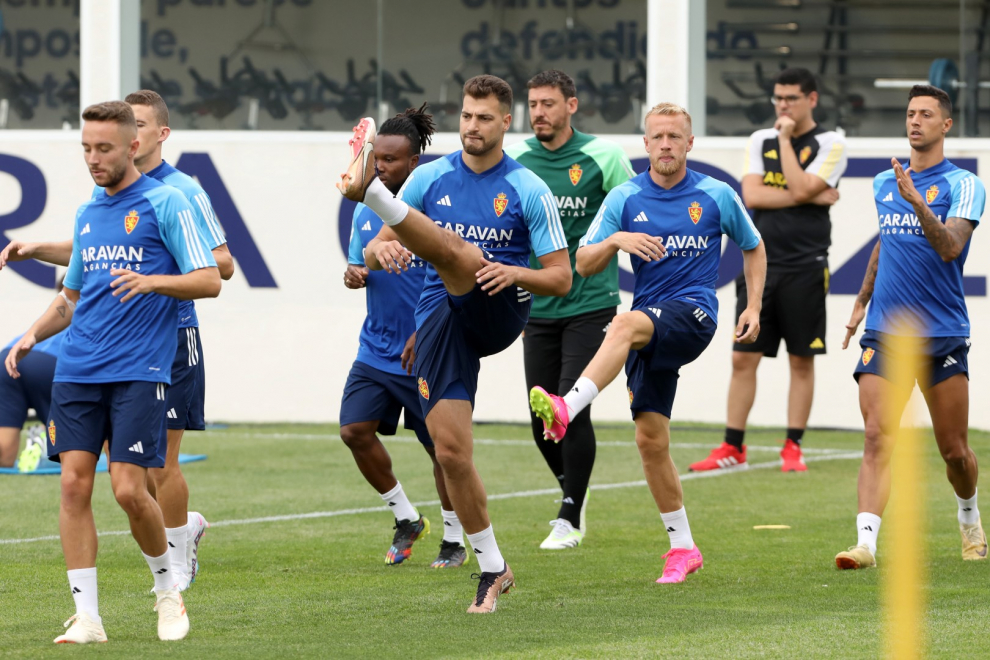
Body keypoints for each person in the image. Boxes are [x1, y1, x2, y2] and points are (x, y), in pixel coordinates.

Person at [337, 74, 571, 613]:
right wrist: (380, 252)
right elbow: (371, 253)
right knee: (450, 453)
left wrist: (514, 272)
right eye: (466, 116)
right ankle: (493, 567)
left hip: (498, 306)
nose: (472, 126)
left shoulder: (528, 188)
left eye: (484, 117)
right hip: (440, 320)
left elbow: (560, 277)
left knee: (460, 254)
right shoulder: (430, 178)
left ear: (505, 122)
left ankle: (369, 189)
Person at [4, 101, 221, 643]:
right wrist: (32, 334)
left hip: (139, 369)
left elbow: (210, 278)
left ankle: (168, 593)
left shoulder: (167, 201)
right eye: (86, 148)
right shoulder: (88, 212)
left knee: (128, 490)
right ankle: (88, 618)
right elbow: (71, 297)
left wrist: (153, 282)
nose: (94, 158)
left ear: (133, 146)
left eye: (104, 148)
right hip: (78, 369)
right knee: (73, 486)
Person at [529, 102, 766, 584]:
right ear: (645, 143)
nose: (665, 145)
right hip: (649, 328)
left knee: (621, 325)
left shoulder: (716, 194)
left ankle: (567, 407)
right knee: (650, 440)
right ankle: (683, 548)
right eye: (657, 137)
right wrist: (617, 240)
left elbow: (753, 246)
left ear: (689, 143)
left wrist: (753, 306)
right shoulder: (624, 197)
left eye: (674, 137)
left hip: (693, 314)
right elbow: (584, 262)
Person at [835, 84, 987, 569]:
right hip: (886, 330)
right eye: (910, 114)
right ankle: (865, 544)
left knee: (954, 451)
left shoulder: (965, 184)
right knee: (877, 435)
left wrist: (917, 201)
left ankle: (969, 517)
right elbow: (886, 241)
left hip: (941, 332)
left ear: (946, 125)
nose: (915, 121)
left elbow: (950, 248)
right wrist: (861, 301)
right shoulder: (886, 181)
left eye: (925, 114)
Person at [689, 67, 847, 474]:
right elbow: (753, 194)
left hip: (806, 265)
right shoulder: (759, 139)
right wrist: (809, 195)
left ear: (811, 99)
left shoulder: (831, 142)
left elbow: (798, 185)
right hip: (759, 266)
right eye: (778, 98)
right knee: (743, 358)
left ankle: (793, 446)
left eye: (791, 98)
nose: (782, 105)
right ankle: (732, 446)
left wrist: (786, 143)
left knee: (801, 360)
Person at [504, 70, 635, 550]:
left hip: (592, 303)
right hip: (537, 305)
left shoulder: (605, 157)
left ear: (571, 106)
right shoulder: (517, 160)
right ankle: (573, 489)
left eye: (548, 104)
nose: (538, 113)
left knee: (569, 409)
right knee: (541, 419)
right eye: (533, 104)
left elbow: (634, 209)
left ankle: (570, 516)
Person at [340, 104, 467, 569]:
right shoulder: (364, 209)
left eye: (390, 160)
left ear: (414, 162)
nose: (380, 168)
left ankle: (453, 539)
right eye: (377, 159)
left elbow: (455, 278)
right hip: (376, 348)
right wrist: (353, 275)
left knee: (441, 452)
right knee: (354, 431)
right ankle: (406, 518)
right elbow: (358, 265)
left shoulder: (434, 209)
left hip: (427, 350)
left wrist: (426, 331)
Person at [0, 328, 63, 468]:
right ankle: (43, 438)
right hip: (49, 361)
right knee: (75, 448)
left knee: (4, 459)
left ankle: (42, 437)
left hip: (8, 357)